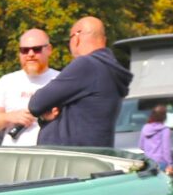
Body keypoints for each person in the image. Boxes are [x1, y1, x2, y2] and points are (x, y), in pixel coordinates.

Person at [27, 16, 132, 148]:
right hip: (94, 156)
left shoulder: (87, 65)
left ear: (76, 38)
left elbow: (36, 104)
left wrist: (46, 111)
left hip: (71, 161)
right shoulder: (109, 69)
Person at [0, 29, 60, 146]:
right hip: (13, 157)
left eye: (36, 49)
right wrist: (10, 117)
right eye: (24, 50)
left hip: (50, 155)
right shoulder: (8, 81)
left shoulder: (61, 80)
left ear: (49, 50)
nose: (30, 54)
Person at [139, 104, 173, 174]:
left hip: (148, 162)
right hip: (161, 162)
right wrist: (169, 164)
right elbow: (166, 148)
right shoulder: (164, 130)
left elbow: (141, 146)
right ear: (164, 116)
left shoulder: (145, 127)